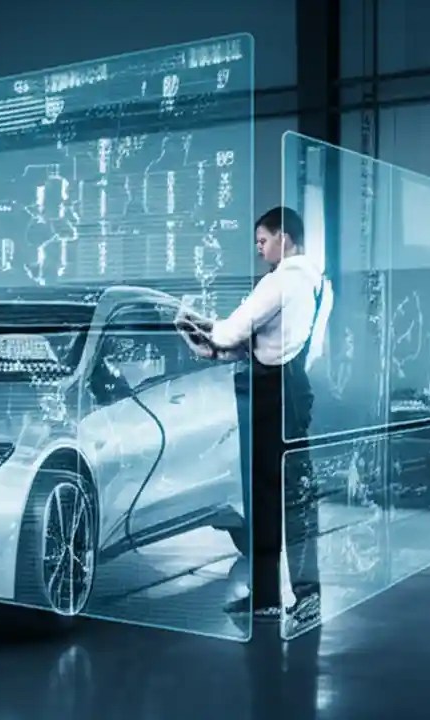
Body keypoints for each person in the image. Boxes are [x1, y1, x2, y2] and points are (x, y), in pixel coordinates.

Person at [176, 206, 326, 626]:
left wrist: (203, 327)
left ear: (284, 237)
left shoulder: (283, 281)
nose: (260, 250)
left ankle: (286, 597)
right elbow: (262, 340)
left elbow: (231, 331)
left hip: (273, 393)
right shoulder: (315, 282)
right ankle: (275, 596)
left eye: (263, 241)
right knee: (288, 495)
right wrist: (218, 340)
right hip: (290, 388)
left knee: (275, 495)